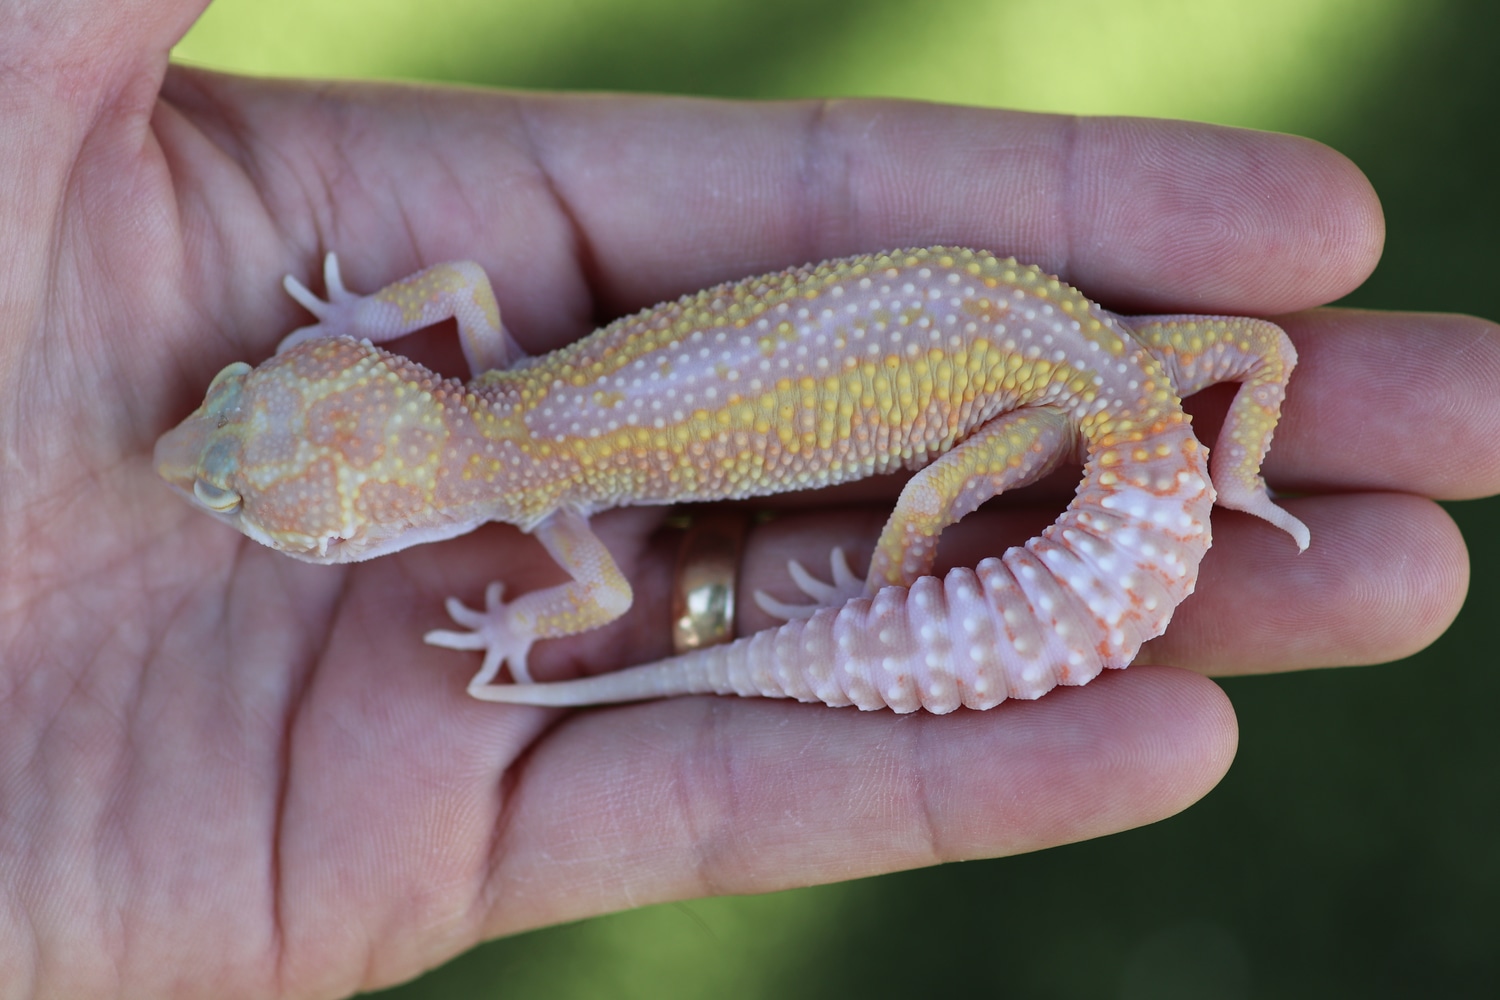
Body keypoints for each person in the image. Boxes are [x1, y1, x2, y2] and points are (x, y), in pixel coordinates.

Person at [1, 1, 1492, 996]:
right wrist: (358, 320)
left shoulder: (549, 500)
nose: (198, 442)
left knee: (927, 520)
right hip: (1051, 343)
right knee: (1254, 347)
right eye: (254, 470)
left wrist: (527, 632)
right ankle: (1229, 473)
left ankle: (917, 580)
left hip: (1042, 394)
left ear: (388, 515)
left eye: (252, 440)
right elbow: (449, 293)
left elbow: (585, 593)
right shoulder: (495, 380)